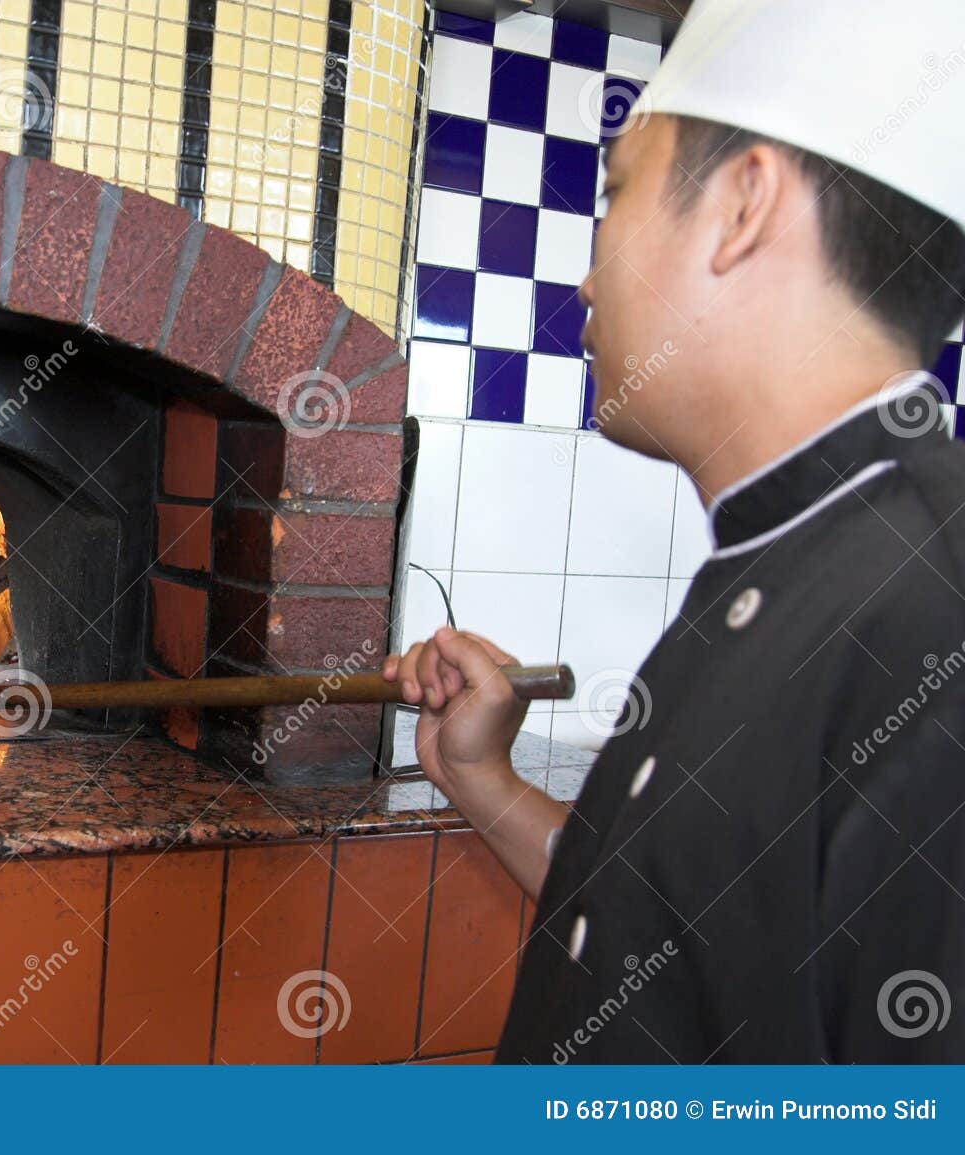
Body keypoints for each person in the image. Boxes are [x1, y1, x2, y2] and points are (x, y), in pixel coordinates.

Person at [384, 0, 965, 1062]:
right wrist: (487, 784)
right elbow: (687, 950)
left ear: (742, 205)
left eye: (614, 191)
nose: (582, 277)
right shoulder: (788, 549)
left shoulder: (932, 609)